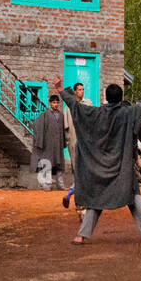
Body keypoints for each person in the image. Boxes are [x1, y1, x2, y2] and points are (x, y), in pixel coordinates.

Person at [60, 77, 141, 244]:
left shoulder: (95, 113)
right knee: (134, 198)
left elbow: (74, 105)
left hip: (100, 169)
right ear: (120, 98)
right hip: (122, 169)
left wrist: (60, 88)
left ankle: (80, 236)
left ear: (107, 97)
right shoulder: (128, 113)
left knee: (97, 200)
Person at [61, 82, 91, 210]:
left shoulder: (88, 104)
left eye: (83, 89)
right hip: (74, 143)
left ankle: (72, 195)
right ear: (74, 92)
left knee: (84, 171)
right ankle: (77, 198)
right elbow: (66, 127)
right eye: (79, 90)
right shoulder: (68, 107)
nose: (81, 92)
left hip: (87, 143)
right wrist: (67, 143)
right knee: (79, 171)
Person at [32, 95, 67, 190]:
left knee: (59, 164)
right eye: (53, 103)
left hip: (58, 145)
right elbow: (36, 124)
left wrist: (63, 142)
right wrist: (41, 141)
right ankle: (48, 184)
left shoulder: (61, 115)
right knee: (48, 163)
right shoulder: (45, 114)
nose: (55, 105)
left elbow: (63, 131)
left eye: (57, 103)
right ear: (50, 103)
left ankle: (60, 184)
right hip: (48, 144)